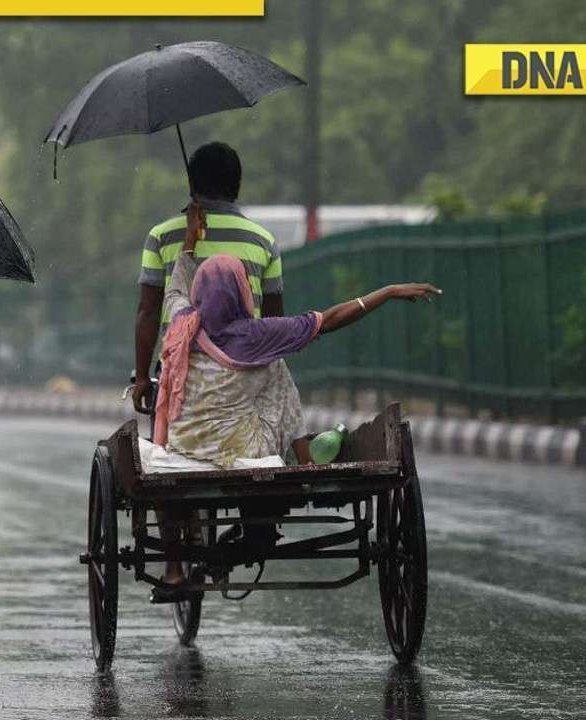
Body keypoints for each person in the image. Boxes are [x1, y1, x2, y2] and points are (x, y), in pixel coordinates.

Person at [150, 202, 440, 587]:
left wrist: (191, 236)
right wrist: (385, 292)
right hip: (244, 451)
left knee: (270, 368)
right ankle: (304, 455)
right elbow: (331, 319)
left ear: (199, 294)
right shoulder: (259, 335)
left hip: (185, 446)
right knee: (277, 367)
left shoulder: (182, 322)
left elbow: (175, 282)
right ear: (241, 293)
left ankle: (177, 565)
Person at [133, 141, 284, 414]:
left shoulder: (161, 237)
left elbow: (148, 312)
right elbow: (274, 320)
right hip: (245, 372)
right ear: (237, 185)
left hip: (179, 374)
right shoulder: (264, 241)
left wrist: (142, 377)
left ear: (192, 184)